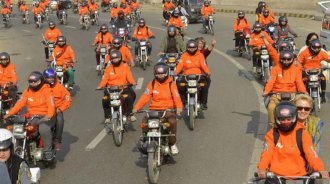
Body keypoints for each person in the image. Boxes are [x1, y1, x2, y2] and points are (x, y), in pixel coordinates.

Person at [257, 102, 329, 183]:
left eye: (289, 119)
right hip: (276, 176)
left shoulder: (302, 133)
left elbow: (311, 153)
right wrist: (262, 168)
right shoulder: (272, 134)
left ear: (294, 118)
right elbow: (266, 153)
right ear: (277, 119)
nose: (286, 122)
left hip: (301, 176)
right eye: (282, 119)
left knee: (319, 182)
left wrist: (320, 169)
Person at [4, 72, 56, 161]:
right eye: (30, 81)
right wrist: (9, 114)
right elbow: (19, 104)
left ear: (41, 81)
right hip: (32, 116)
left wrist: (48, 115)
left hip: (45, 116)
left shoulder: (47, 91)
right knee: (18, 127)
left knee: (43, 128)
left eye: (35, 81)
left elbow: (51, 105)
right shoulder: (27, 91)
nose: (33, 83)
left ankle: (48, 151)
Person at [133, 63, 183, 155]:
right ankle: (145, 139)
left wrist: (179, 107)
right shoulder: (152, 84)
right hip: (154, 110)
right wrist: (136, 107)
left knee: (172, 122)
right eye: (158, 74)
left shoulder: (171, 84)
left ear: (166, 73)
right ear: (155, 74)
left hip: (168, 110)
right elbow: (145, 96)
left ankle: (172, 144)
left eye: (162, 73)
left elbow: (176, 96)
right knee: (145, 122)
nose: (160, 75)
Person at [261, 34, 307, 127]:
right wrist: (266, 91)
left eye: (288, 59)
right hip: (276, 95)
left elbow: (299, 82)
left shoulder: (297, 67)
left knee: (303, 108)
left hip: (293, 95)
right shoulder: (275, 68)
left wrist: (304, 92)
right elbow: (271, 81)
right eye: (284, 59)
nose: (286, 61)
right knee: (271, 107)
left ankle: (301, 127)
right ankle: (273, 127)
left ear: (292, 58)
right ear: (280, 58)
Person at [97, 50, 136, 122]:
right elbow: (105, 79)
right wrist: (100, 86)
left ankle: (130, 114)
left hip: (123, 88)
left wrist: (132, 82)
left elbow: (129, 76)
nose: (115, 60)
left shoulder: (125, 66)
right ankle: (107, 117)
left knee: (130, 97)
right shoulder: (108, 68)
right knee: (105, 100)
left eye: (116, 58)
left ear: (120, 58)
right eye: (113, 58)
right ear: (111, 59)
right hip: (111, 89)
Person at [175, 39, 211, 109]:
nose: (191, 49)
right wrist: (176, 72)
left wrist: (207, 72)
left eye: (193, 48)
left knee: (205, 86)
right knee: (178, 84)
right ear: (187, 47)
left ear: (196, 47)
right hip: (186, 76)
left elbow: (203, 65)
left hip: (198, 76)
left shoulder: (200, 55)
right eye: (190, 48)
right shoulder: (184, 55)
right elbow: (180, 64)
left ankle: (203, 103)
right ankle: (184, 102)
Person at [43, 68, 72, 151]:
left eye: (52, 77)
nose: (51, 79)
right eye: (48, 77)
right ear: (44, 78)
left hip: (56, 110)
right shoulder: (40, 87)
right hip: (42, 110)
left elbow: (68, 99)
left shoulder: (60, 87)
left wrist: (60, 109)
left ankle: (57, 140)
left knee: (60, 120)